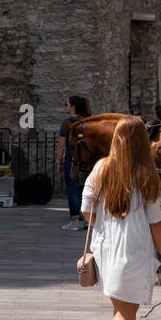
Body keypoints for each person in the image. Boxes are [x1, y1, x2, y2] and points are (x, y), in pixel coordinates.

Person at [80, 115, 161, 320]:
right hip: (135, 249)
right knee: (125, 314)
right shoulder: (146, 172)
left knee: (123, 313)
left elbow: (86, 210)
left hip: (106, 247)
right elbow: (156, 222)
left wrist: (105, 222)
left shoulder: (100, 168)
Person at [56, 95, 92, 230]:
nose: (65, 106)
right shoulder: (88, 121)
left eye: (67, 104)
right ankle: (88, 220)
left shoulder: (67, 123)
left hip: (72, 159)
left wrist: (58, 160)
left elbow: (61, 144)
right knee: (87, 188)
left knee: (72, 189)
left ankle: (75, 221)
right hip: (87, 159)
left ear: (73, 107)